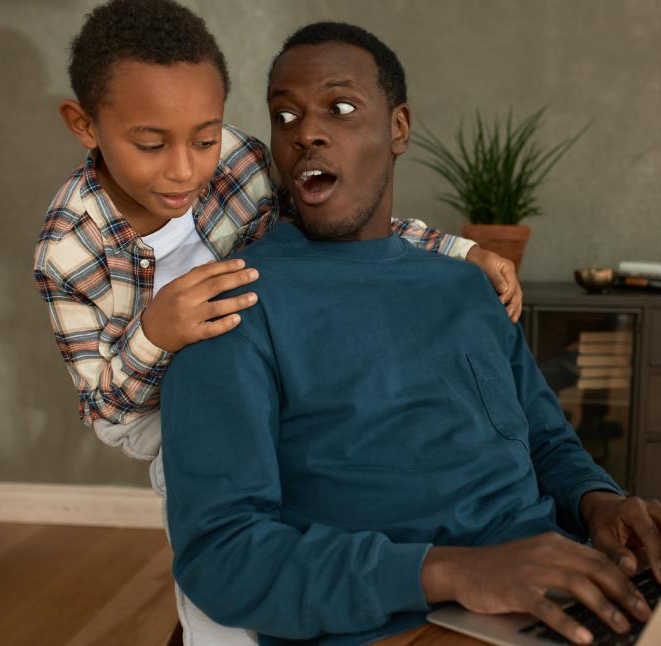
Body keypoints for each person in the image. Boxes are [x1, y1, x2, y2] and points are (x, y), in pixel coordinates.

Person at [159, 21, 661, 646]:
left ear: (398, 129)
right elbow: (221, 554)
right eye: (285, 115)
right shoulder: (231, 304)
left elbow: (543, 442)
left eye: (340, 108)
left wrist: (599, 504)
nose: (307, 135)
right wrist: (455, 572)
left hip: (575, 590)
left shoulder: (465, 285)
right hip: (413, 620)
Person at [32, 2, 521, 644]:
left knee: (310, 460)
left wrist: (461, 252)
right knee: (215, 503)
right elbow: (103, 410)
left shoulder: (241, 161)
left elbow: (342, 223)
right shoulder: (66, 250)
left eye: (204, 138)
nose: (185, 169)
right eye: (151, 145)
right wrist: (157, 332)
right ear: (84, 125)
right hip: (146, 402)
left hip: (255, 351)